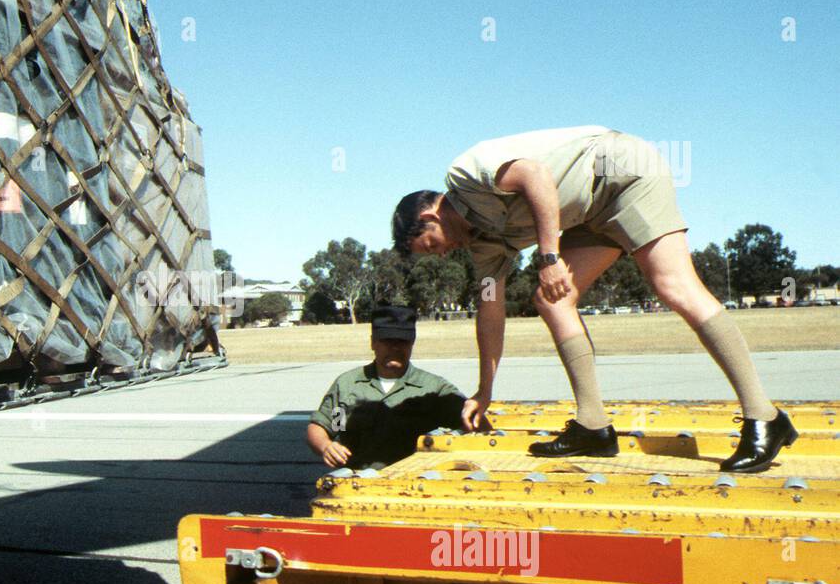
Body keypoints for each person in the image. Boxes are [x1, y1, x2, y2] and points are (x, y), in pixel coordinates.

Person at [391, 126, 796, 471]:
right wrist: (484, 390)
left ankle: (765, 416)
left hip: (621, 172)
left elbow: (535, 177)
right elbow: (490, 311)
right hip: (587, 215)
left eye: (430, 247)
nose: (441, 254)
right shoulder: (483, 248)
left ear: (429, 218)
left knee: (674, 286)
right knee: (551, 301)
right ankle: (594, 427)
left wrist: (549, 257)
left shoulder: (464, 175)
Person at [307, 305, 485, 471]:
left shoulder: (434, 389)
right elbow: (323, 427)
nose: (395, 347)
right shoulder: (348, 386)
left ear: (412, 343)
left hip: (414, 486)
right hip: (357, 485)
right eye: (387, 340)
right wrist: (327, 446)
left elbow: (474, 423)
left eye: (402, 341)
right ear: (373, 343)